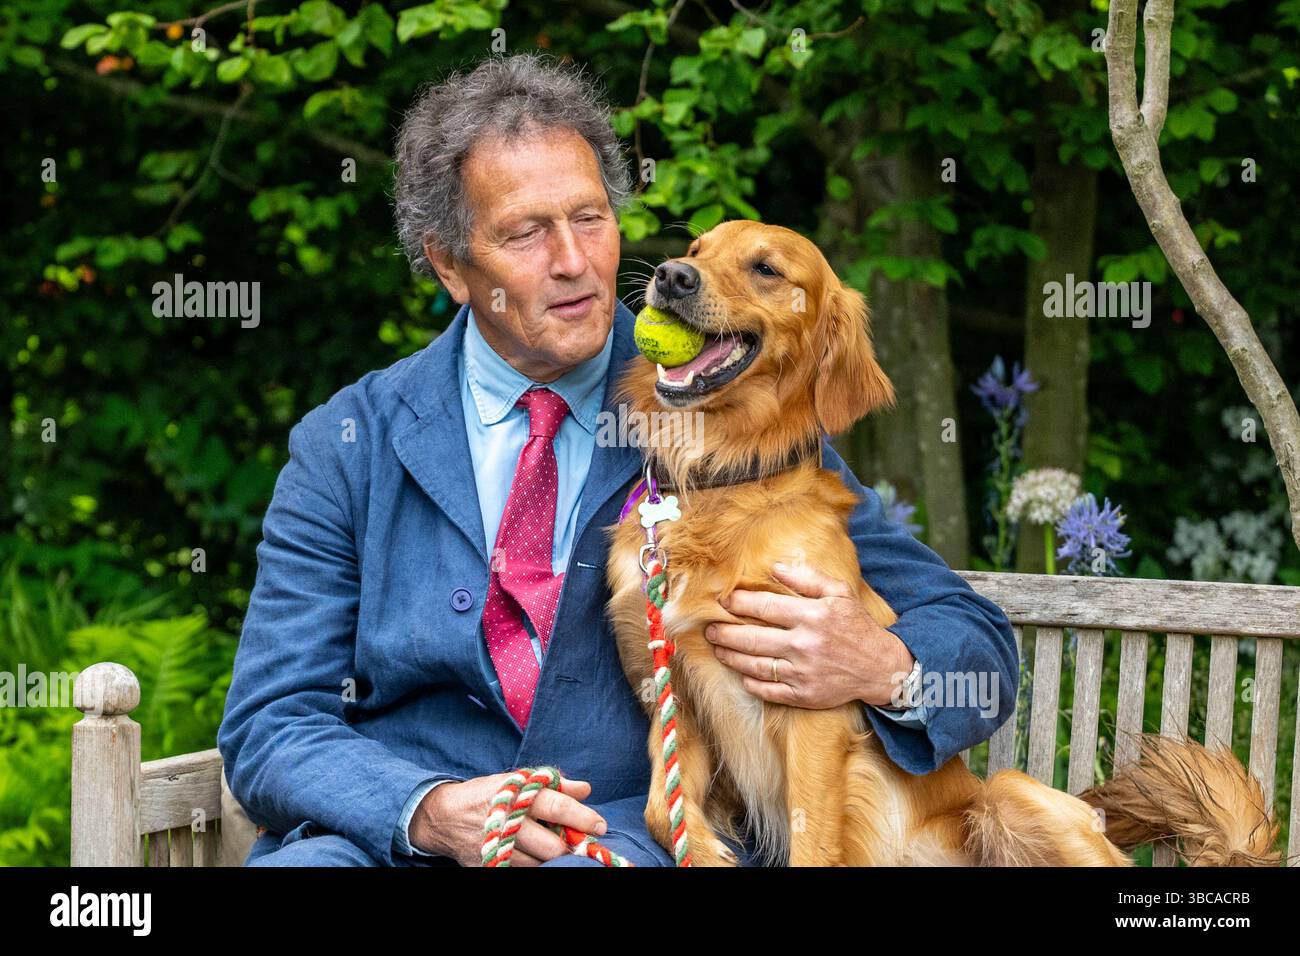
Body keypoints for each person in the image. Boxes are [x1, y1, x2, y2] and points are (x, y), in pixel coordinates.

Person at [217, 52, 1018, 868]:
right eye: (526, 232)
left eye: (591, 218)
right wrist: (424, 809)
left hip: (613, 840)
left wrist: (881, 665)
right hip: (391, 843)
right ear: (451, 266)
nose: (574, 261)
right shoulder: (348, 442)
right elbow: (269, 722)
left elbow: (976, 643)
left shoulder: (727, 404)